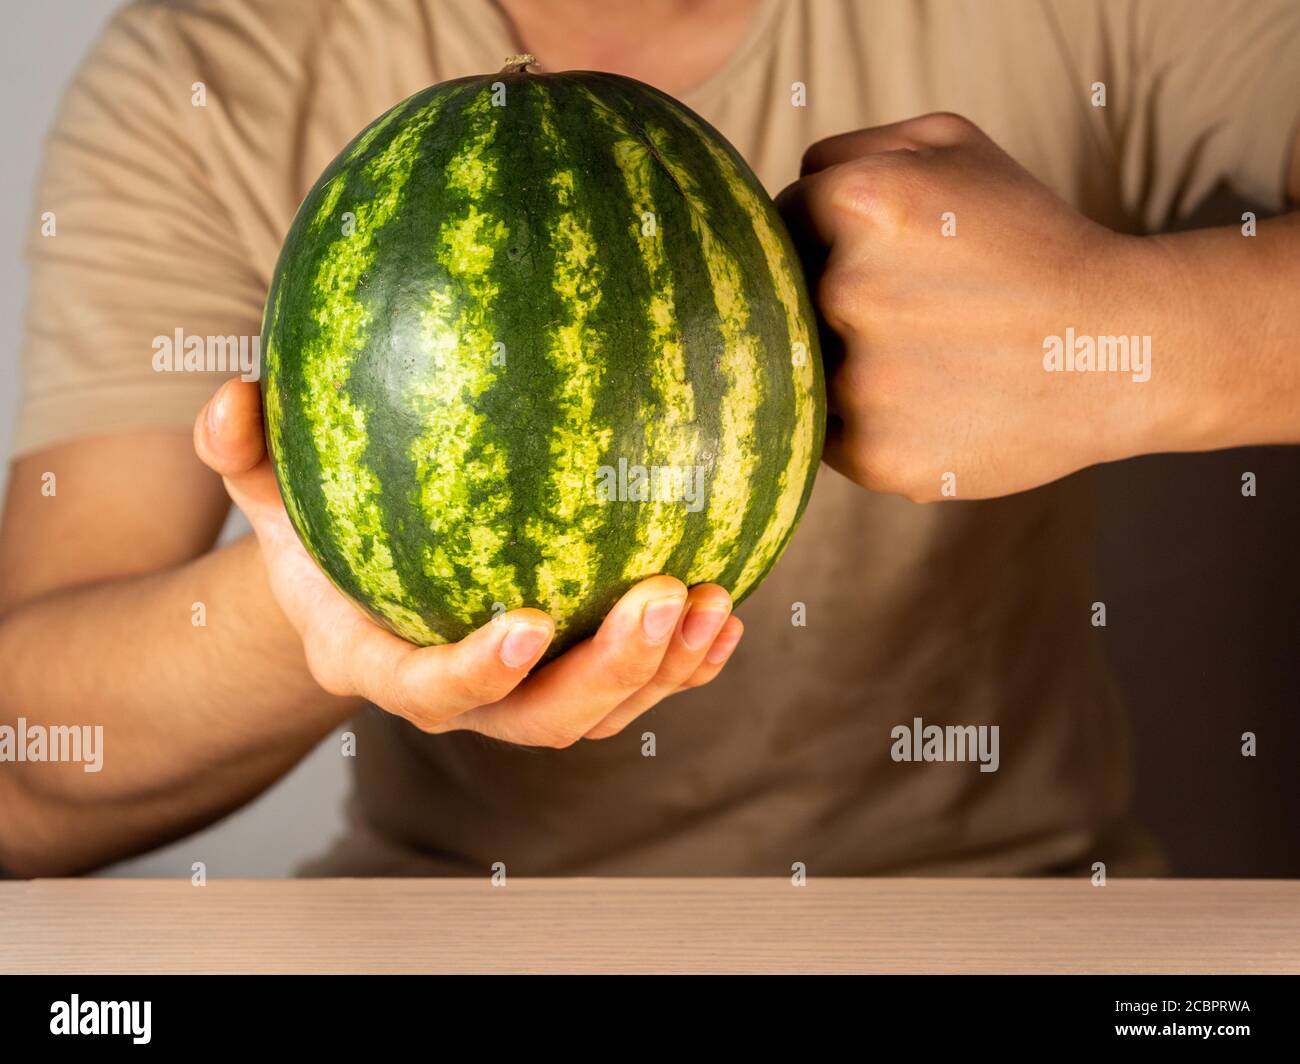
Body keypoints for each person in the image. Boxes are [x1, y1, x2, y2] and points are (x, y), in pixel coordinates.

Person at [1, 0, 1297, 878]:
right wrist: (321, 602)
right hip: (454, 936)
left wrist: (1131, 339)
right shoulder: (209, 64)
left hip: (1008, 922)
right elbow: (24, 775)